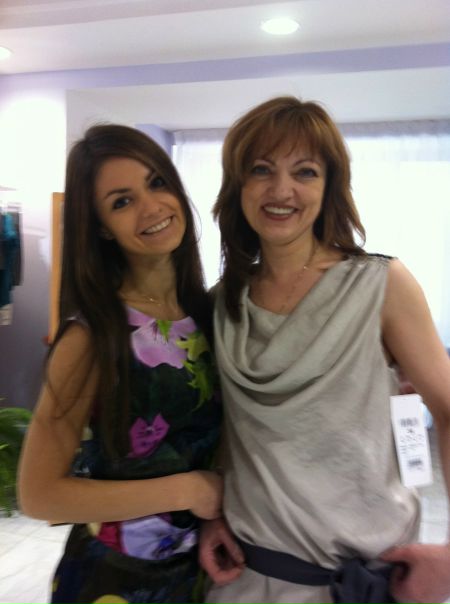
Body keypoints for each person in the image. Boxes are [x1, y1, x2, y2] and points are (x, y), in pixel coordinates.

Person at [199, 96, 450, 604]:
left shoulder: (381, 284)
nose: (281, 190)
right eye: (261, 169)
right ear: (237, 185)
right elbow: (226, 431)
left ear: (329, 186)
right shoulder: (221, 303)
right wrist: (212, 516)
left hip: (367, 583)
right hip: (244, 577)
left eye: (305, 172)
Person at [18, 124, 223, 604]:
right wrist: (187, 490)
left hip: (197, 570)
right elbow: (39, 494)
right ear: (102, 228)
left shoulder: (207, 314)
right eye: (122, 201)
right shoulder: (94, 334)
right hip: (112, 581)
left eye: (157, 183)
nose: (151, 208)